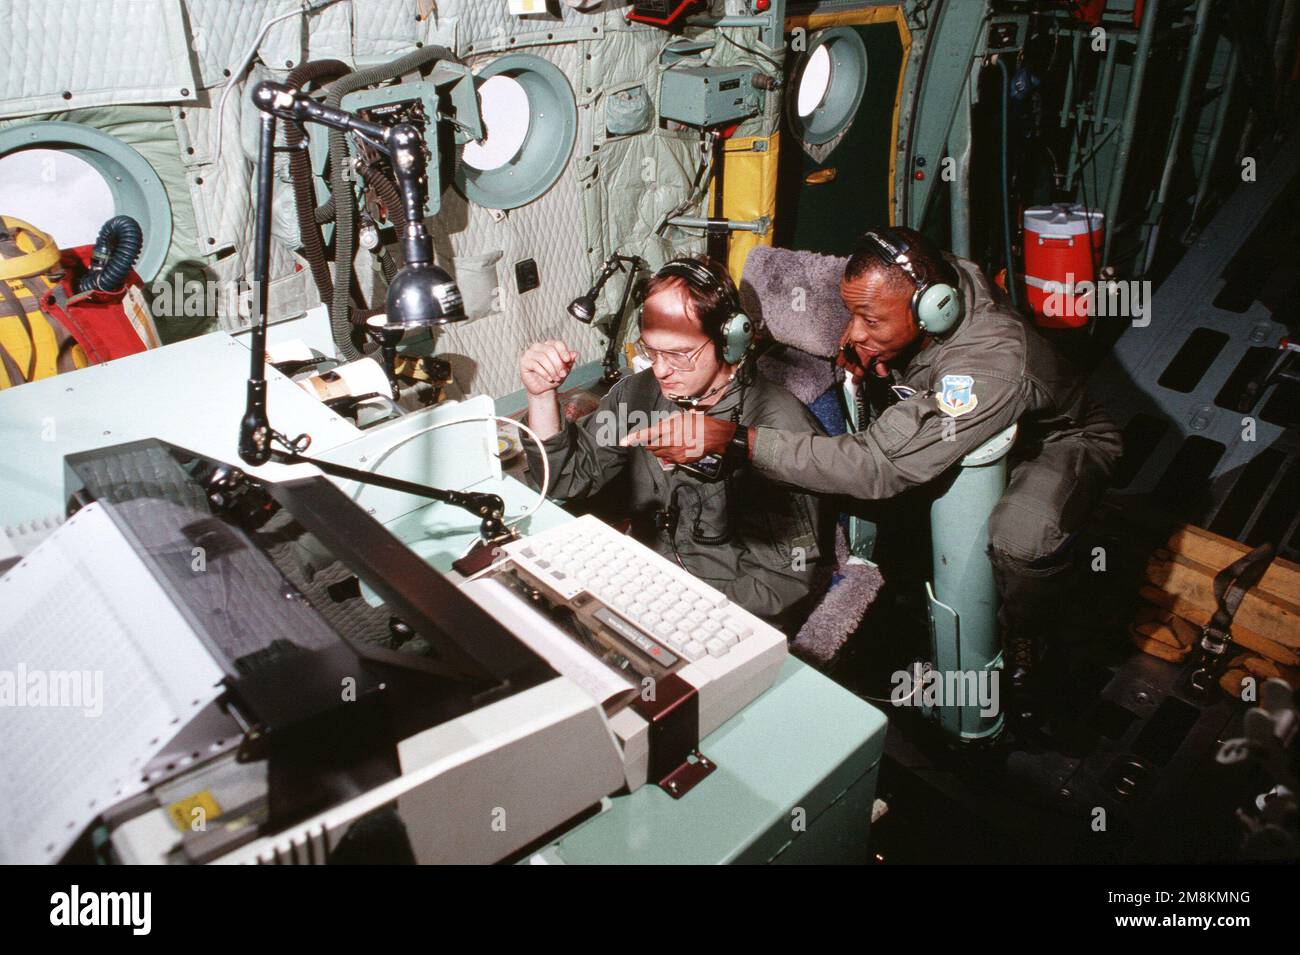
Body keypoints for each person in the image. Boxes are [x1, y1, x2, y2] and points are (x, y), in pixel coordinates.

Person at [621, 228, 1124, 723]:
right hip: (973, 412)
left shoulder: (990, 365)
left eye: (871, 320)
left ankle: (1027, 636)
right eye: (852, 314)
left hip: (1059, 441)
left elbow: (880, 467)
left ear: (933, 309)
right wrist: (877, 339)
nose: (854, 332)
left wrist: (737, 440)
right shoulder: (932, 280)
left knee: (1022, 538)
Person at [519, 255, 826, 623]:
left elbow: (780, 586)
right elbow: (564, 478)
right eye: (651, 350)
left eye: (679, 354)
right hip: (644, 580)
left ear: (730, 342)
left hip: (719, 609)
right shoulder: (638, 394)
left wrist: (675, 604)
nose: (661, 370)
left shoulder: (779, 433)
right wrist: (541, 396)